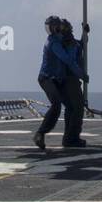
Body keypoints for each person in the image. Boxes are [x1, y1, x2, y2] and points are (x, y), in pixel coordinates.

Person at [33, 15, 86, 150]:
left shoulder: (62, 40)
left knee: (71, 107)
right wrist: (82, 75)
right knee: (56, 104)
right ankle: (40, 133)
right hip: (47, 78)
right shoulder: (53, 43)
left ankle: (69, 138)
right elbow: (68, 60)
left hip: (57, 80)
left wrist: (84, 32)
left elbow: (80, 44)